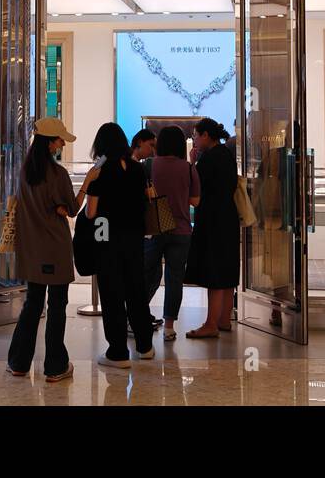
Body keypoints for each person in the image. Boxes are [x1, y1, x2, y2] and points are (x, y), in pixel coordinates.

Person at [6, 117, 79, 382]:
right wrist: (90, 181)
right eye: (60, 139)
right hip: (56, 249)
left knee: (32, 305)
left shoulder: (26, 172)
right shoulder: (58, 174)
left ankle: (18, 363)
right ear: (50, 142)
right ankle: (55, 366)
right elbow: (72, 209)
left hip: (32, 249)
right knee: (57, 307)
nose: (62, 143)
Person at [86, 122, 155, 368]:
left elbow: (92, 212)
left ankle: (117, 351)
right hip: (134, 237)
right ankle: (145, 346)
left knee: (112, 291)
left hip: (107, 236)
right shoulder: (138, 169)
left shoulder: (101, 169)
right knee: (136, 288)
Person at [143, 125, 201, 341]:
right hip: (181, 230)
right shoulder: (188, 168)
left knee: (148, 274)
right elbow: (195, 201)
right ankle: (169, 327)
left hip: (154, 229)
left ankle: (137, 316)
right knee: (175, 278)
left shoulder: (149, 165)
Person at [184, 117, 240, 338]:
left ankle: (210, 324)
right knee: (226, 269)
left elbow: (194, 186)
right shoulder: (226, 154)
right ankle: (224, 319)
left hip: (212, 219)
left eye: (196, 136)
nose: (195, 140)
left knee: (214, 272)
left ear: (206, 135)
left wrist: (191, 163)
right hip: (228, 217)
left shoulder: (208, 159)